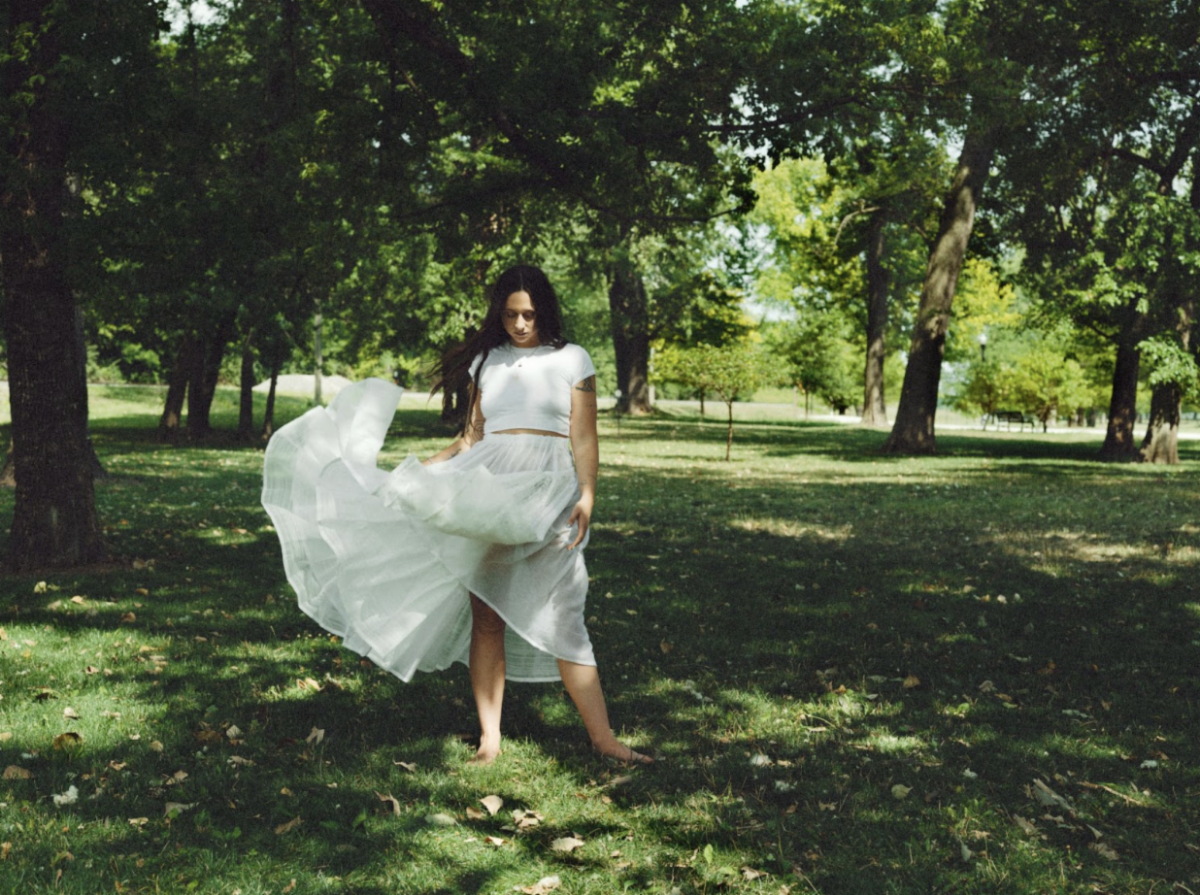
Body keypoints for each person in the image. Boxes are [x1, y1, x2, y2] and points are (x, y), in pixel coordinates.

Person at [261, 264, 649, 766]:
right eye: (511, 314)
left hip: (549, 489)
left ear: (545, 312)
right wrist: (418, 472)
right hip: (489, 485)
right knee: (485, 613)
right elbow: (471, 438)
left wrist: (588, 492)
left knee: (565, 611)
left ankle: (604, 739)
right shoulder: (487, 361)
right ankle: (490, 738)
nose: (521, 324)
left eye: (530, 314)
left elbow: (584, 436)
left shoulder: (573, 359)